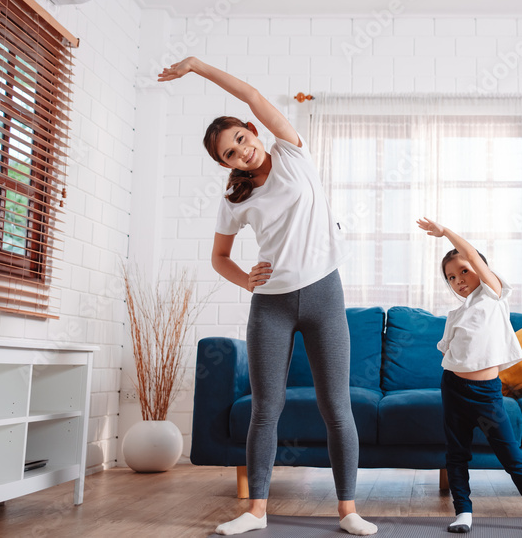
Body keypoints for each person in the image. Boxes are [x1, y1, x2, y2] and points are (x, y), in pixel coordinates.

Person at [158, 57, 377, 536]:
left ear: (252, 130)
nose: (242, 152)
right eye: (230, 154)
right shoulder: (235, 199)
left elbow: (253, 93)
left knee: (335, 406)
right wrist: (245, 279)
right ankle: (255, 512)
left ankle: (348, 511)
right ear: (225, 166)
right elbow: (219, 256)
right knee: (266, 408)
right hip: (271, 306)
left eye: (241, 139)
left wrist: (197, 67)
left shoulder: (294, 152)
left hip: (323, 294)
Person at [416, 217, 522, 535]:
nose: (459, 280)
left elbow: (471, 255)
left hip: (485, 394)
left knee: (510, 453)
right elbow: (449, 351)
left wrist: (447, 233)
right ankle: (463, 512)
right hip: (453, 388)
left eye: (464, 271)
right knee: (456, 454)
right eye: (451, 277)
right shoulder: (457, 313)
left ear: (480, 269)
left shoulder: (493, 297)